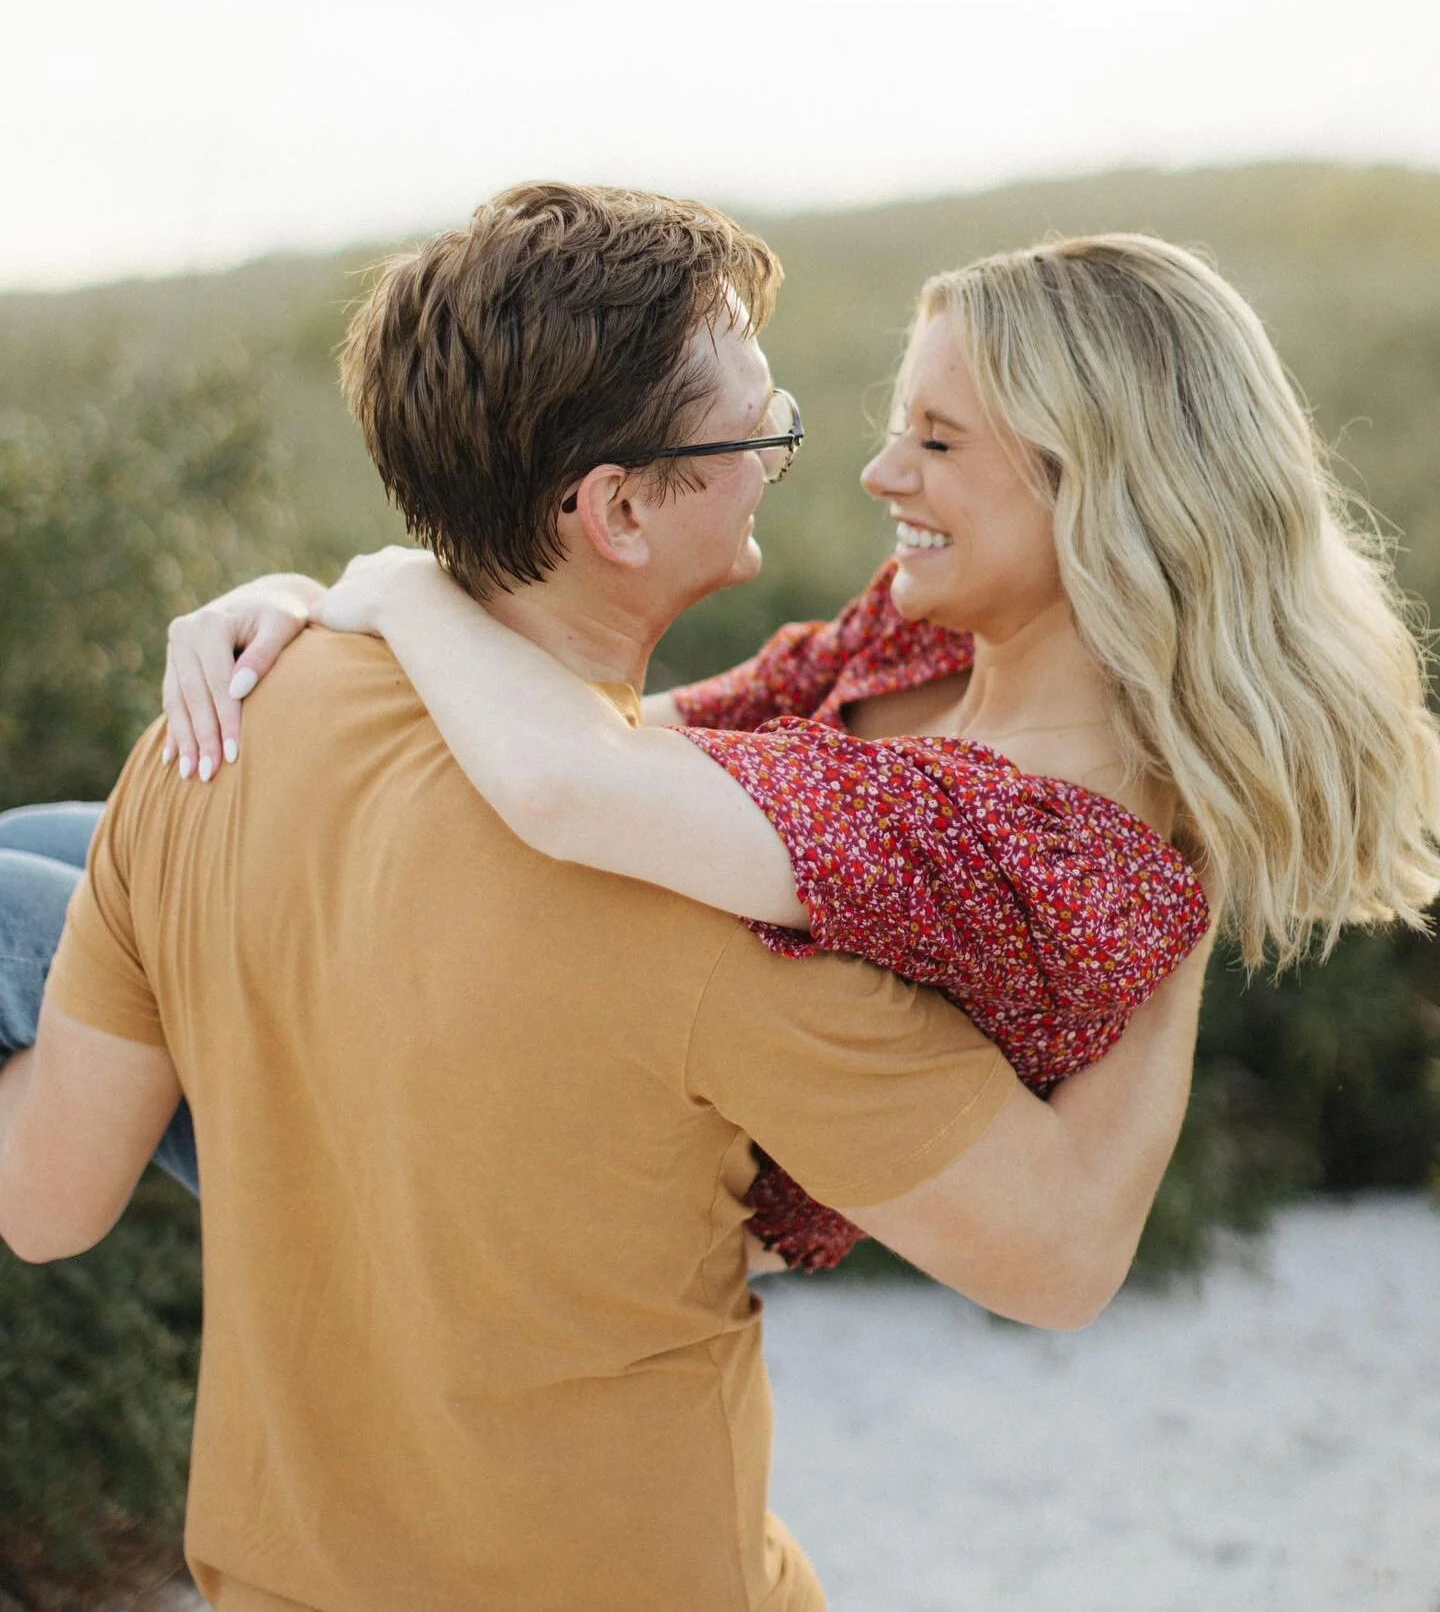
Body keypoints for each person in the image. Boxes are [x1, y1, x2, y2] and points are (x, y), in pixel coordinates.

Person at [0, 186, 1214, 1612]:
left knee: (54, 871)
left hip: (277, 1582)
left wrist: (367, 593)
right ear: (617, 507)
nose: (814, 467)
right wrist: (1196, 869)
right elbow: (1058, 1253)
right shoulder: (729, 920)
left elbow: (43, 1203)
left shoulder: (215, 731)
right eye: (760, 434)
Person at [158, 230, 1440, 1269]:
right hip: (466, 1011)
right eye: (899, 424)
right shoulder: (928, 643)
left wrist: (394, 586)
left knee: (38, 900)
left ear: (1107, 489)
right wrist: (306, 613)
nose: (881, 472)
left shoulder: (1052, 850)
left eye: (938, 441)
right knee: (77, 850)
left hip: (510, 1177)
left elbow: (567, 778)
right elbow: (613, 732)